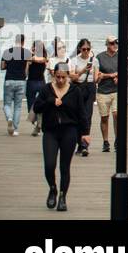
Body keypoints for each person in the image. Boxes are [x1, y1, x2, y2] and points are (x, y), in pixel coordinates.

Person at [32, 61, 86, 212]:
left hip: (69, 131)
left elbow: (82, 114)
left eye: (63, 77)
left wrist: (85, 134)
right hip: (50, 131)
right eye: (58, 77)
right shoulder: (46, 89)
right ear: (53, 75)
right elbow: (36, 107)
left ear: (68, 76)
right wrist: (50, 101)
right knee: (49, 165)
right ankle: (53, 189)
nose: (60, 80)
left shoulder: (75, 91)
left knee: (64, 167)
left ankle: (62, 196)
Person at [68, 39, 98, 156]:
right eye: (84, 49)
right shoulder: (74, 60)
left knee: (87, 116)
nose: (86, 51)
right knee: (77, 117)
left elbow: (96, 78)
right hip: (78, 88)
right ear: (79, 49)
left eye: (88, 49)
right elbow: (72, 77)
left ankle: (84, 145)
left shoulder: (94, 61)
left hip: (90, 88)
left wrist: (100, 77)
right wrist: (82, 71)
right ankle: (79, 144)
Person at [94, 36, 121, 153]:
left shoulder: (120, 56)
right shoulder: (99, 57)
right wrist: (110, 75)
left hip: (116, 91)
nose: (114, 45)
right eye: (112, 43)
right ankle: (105, 141)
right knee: (104, 118)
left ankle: (117, 140)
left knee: (116, 115)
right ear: (107, 44)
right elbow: (97, 76)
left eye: (116, 43)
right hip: (103, 91)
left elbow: (125, 71)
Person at [0, 34, 30, 136]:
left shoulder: (7, 52)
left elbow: (2, 66)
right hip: (21, 81)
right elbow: (26, 70)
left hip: (9, 80)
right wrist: (24, 76)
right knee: (18, 106)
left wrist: (9, 66)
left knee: (7, 104)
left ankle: (9, 118)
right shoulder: (27, 53)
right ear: (23, 42)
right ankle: (15, 129)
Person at [26, 40, 49, 136]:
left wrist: (31, 55)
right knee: (40, 104)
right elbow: (44, 61)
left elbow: (26, 72)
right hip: (42, 83)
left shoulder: (30, 58)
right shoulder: (45, 58)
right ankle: (38, 124)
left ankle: (36, 123)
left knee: (31, 104)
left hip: (31, 82)